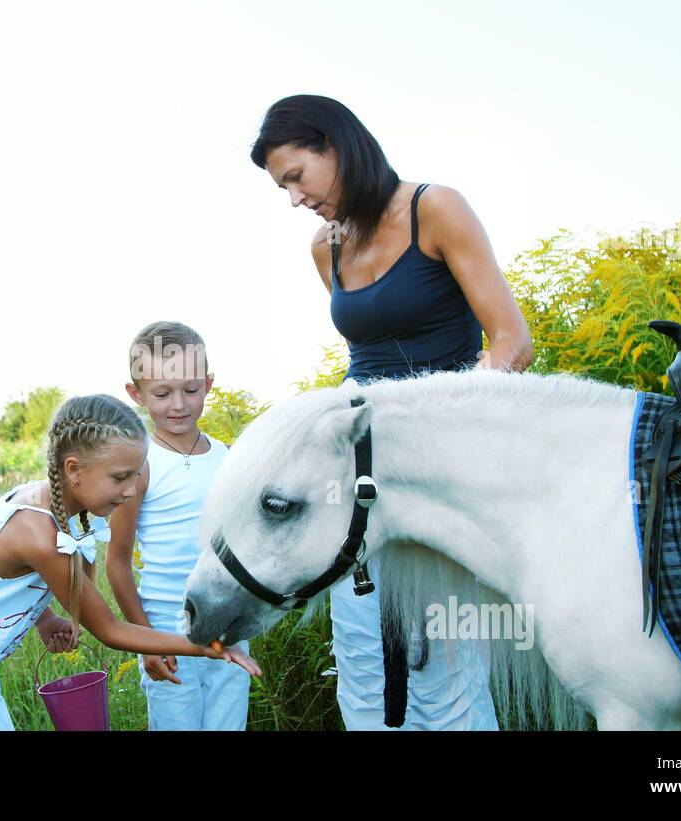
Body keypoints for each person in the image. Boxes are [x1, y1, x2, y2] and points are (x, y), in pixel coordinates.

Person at [248, 94, 534, 730]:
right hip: (360, 472)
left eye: (296, 176)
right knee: (360, 657)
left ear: (336, 145)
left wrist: (441, 432)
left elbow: (511, 343)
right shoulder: (325, 249)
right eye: (281, 188)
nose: (294, 198)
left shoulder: (436, 207)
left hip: (437, 465)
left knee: (444, 666)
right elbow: (366, 356)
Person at [0, 393, 261, 730]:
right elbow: (108, 629)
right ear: (73, 470)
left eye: (136, 476)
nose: (129, 492)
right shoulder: (38, 533)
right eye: (121, 477)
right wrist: (207, 647)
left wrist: (45, 618)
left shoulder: (57, 512)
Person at [106, 321, 251, 730]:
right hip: (167, 631)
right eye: (162, 393)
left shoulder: (228, 457)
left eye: (191, 390)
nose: (179, 405)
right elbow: (117, 563)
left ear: (208, 384)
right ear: (136, 394)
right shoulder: (140, 465)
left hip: (227, 625)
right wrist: (145, 641)